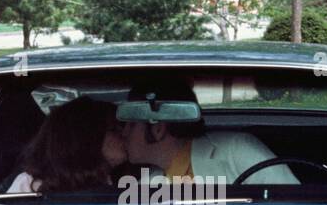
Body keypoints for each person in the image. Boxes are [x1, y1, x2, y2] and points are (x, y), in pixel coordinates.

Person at [122, 79, 297, 184]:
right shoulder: (143, 187)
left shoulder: (235, 150)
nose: (124, 134)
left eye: (131, 125)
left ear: (158, 129)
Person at [7, 96, 127, 193]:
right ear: (87, 140)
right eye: (114, 129)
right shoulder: (29, 185)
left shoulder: (128, 178)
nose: (125, 134)